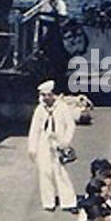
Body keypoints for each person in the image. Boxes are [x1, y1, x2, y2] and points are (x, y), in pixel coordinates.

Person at [29, 79, 78, 211]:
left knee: (60, 172)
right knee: (45, 172)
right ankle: (48, 202)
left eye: (47, 95)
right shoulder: (40, 109)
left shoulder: (62, 107)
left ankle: (68, 202)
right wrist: (32, 148)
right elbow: (35, 129)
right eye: (43, 95)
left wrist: (66, 142)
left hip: (58, 142)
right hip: (44, 143)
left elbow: (70, 125)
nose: (45, 98)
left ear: (52, 95)